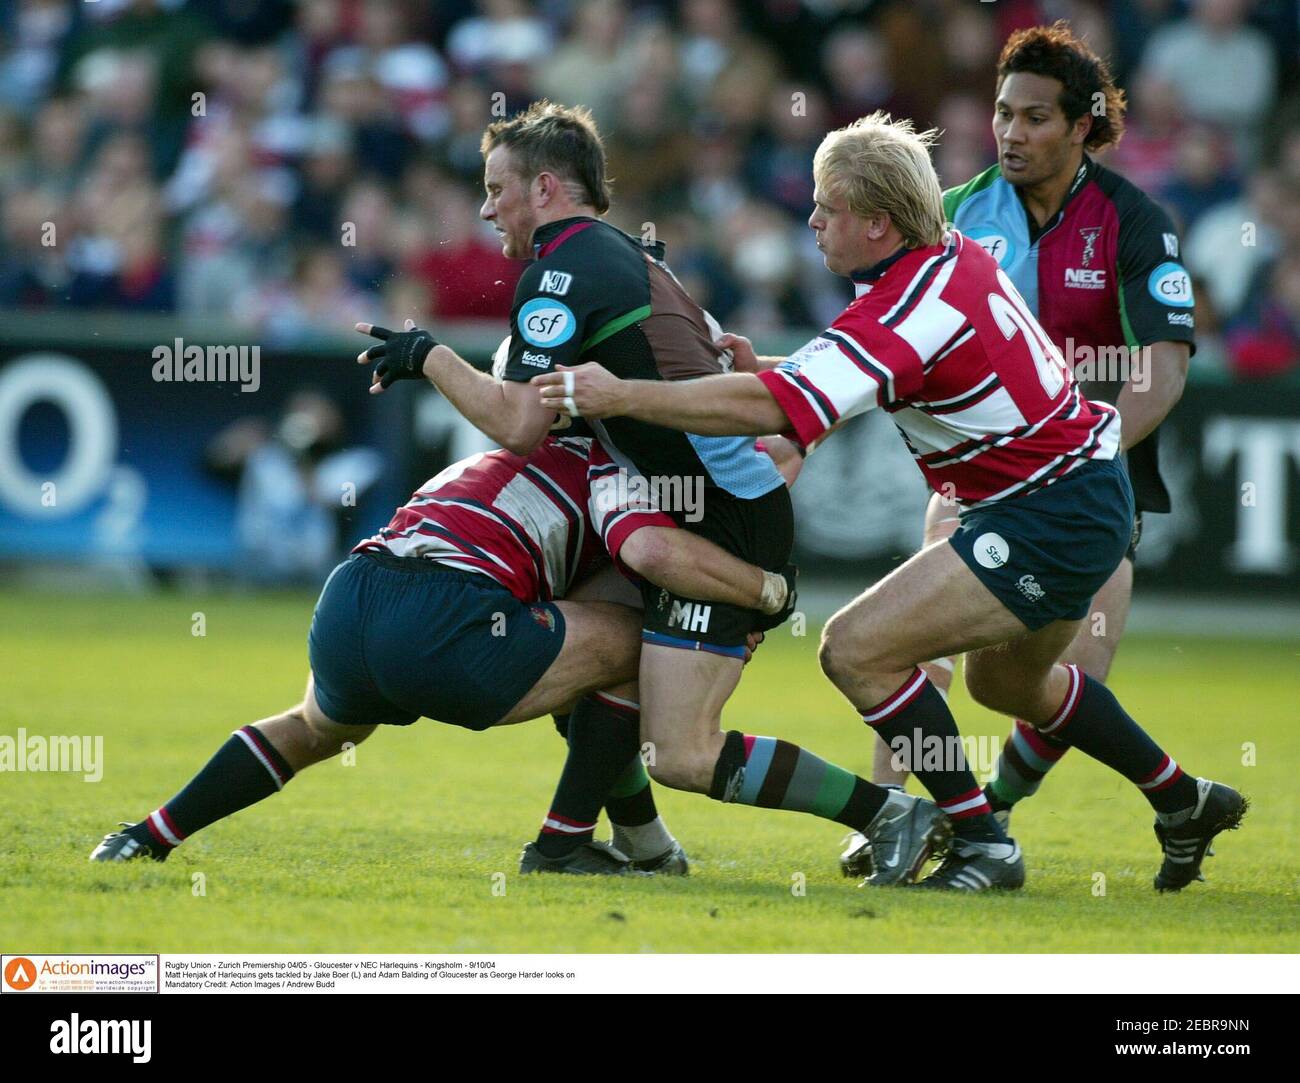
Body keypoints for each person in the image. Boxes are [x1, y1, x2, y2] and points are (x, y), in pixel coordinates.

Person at [536, 112, 1246, 892]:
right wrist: (775, 368)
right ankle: (1181, 796)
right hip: (1073, 492)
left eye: (826, 206)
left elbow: (787, 401)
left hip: (1048, 512)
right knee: (1006, 688)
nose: (810, 220)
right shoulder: (947, 258)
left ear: (877, 222)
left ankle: (982, 840)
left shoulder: (902, 307)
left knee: (854, 646)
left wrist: (624, 392)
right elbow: (881, 366)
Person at [361, 101, 953, 886]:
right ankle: (591, 845)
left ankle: (890, 813)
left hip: (721, 527)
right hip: (697, 499)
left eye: (496, 187)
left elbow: (517, 424)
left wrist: (427, 354)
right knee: (591, 667)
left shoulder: (564, 268)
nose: (484, 206)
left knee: (682, 751)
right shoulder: (620, 257)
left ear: (544, 189)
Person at [90, 434, 792, 875]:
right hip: (447, 617)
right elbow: (649, 552)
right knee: (648, 640)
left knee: (311, 730)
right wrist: (758, 595)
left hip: (353, 595)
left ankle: (147, 834)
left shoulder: (494, 451)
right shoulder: (615, 465)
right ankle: (564, 842)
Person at [844, 25, 1199, 876]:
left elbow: (1163, 370)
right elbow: (891, 336)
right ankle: (895, 815)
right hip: (975, 479)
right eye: (1003, 112)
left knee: (1058, 686)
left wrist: (1096, 447)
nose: (1010, 131)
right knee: (913, 641)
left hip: (1095, 482)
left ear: (1082, 126)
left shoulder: (1132, 221)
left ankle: (989, 811)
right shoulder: (960, 212)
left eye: (1035, 117)